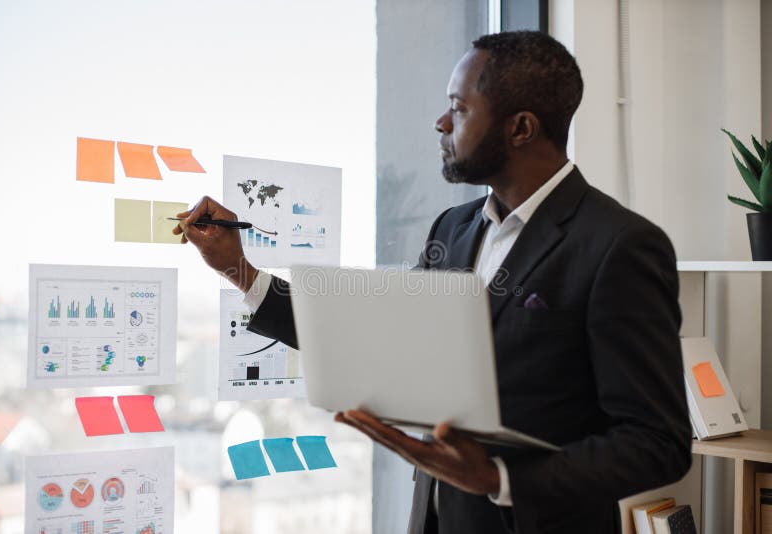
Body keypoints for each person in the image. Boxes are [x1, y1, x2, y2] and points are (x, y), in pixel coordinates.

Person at [175, 31, 691, 534]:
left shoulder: (620, 245)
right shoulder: (454, 228)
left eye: (459, 108)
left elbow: (657, 444)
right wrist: (236, 269)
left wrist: (500, 478)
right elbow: (376, 341)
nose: (440, 122)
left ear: (521, 128)